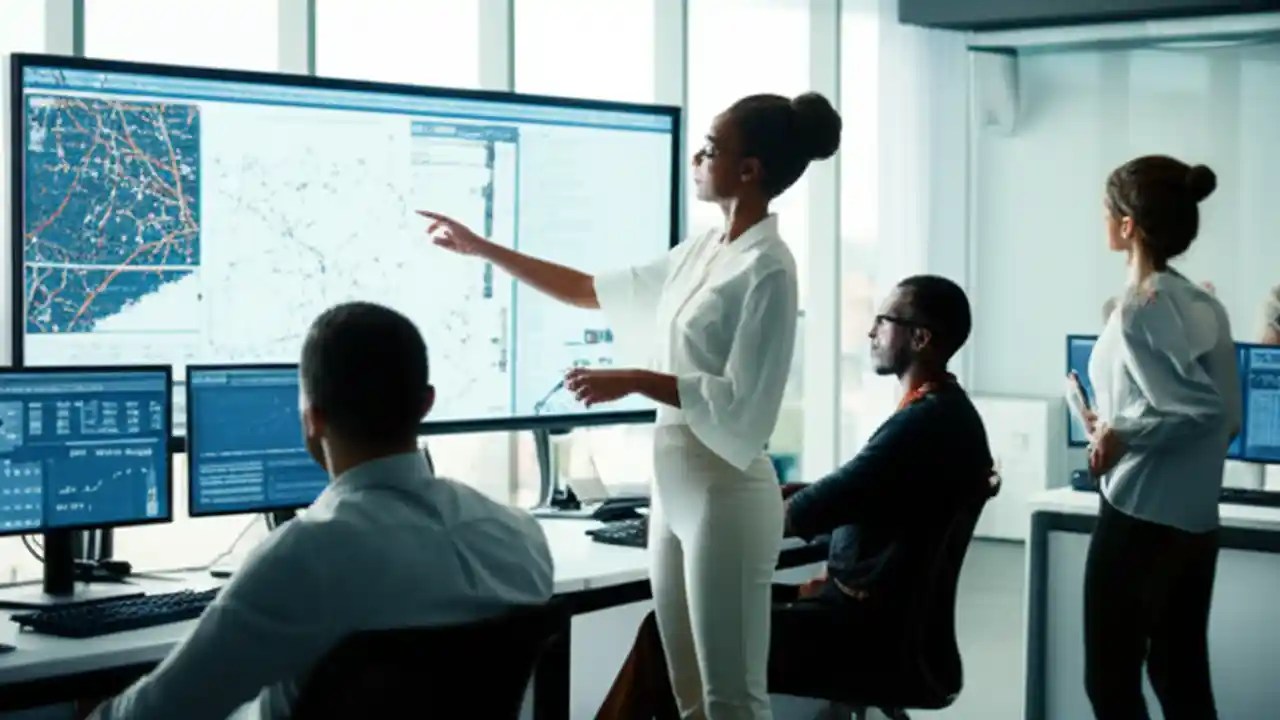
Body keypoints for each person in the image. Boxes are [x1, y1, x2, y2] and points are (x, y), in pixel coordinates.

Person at [420, 92, 841, 720]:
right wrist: (483, 249)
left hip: (726, 493)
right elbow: (591, 290)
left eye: (711, 148)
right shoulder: (703, 251)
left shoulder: (768, 269)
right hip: (672, 490)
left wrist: (638, 380)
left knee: (733, 699)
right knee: (690, 697)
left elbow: (744, 404)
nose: (698, 158)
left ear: (748, 170)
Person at [88, 302, 554, 720]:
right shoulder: (521, 536)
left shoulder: (305, 556)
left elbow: (160, 711)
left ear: (312, 416)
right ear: (426, 403)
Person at [594, 276, 996, 720]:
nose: (871, 332)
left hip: (864, 639)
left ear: (920, 337)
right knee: (684, 625)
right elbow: (865, 494)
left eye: (883, 321)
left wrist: (710, 514)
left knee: (673, 633)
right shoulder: (944, 413)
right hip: (888, 630)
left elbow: (814, 509)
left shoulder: (923, 425)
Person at [1083, 156, 1240, 720]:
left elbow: (1200, 409)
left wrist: (1123, 434)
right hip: (1195, 522)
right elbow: (1229, 420)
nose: (1100, 218)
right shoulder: (1202, 303)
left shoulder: (1140, 307)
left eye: (1106, 210)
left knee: (1110, 682)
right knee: (1180, 678)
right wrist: (1121, 424)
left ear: (1127, 226)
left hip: (1139, 517)